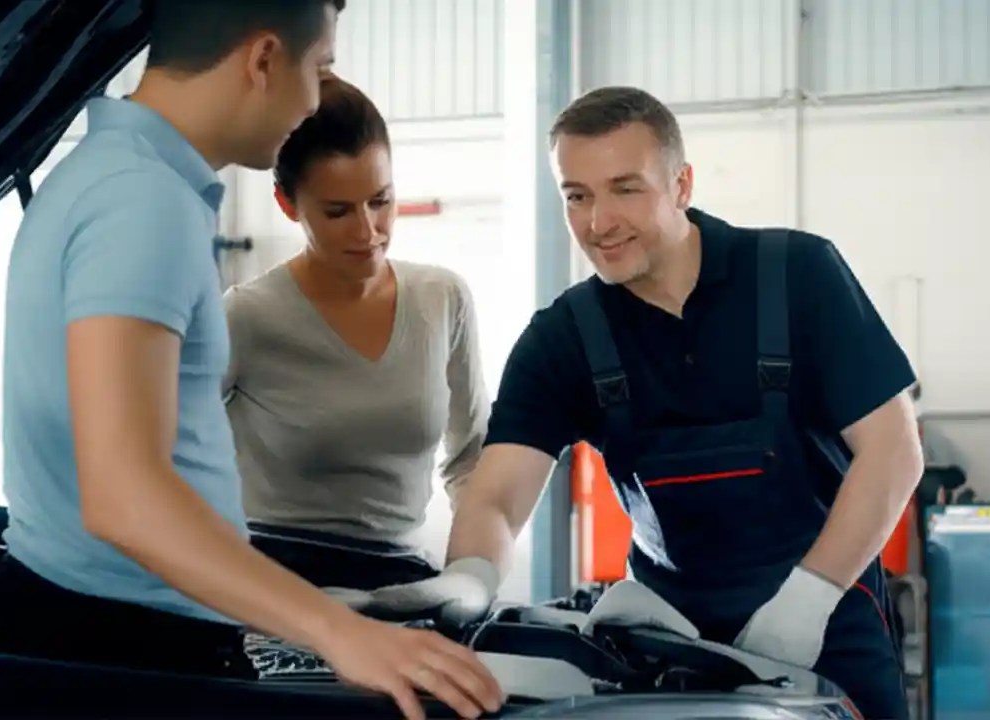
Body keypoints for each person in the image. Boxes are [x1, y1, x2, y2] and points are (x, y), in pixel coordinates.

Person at [0, 2, 502, 718]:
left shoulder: (104, 176)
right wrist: (337, 631)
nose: (317, 96)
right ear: (264, 60)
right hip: (125, 649)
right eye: (319, 67)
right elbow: (123, 492)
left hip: (95, 627)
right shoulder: (143, 204)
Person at [370, 86, 924, 719]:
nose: (598, 223)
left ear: (681, 185)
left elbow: (892, 452)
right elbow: (497, 495)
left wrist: (808, 597)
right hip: (672, 648)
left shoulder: (797, 275)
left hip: (829, 624)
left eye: (625, 188)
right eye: (576, 196)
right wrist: (470, 575)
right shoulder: (565, 337)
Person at [222, 76, 491, 589]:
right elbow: (161, 455)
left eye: (380, 200)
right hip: (272, 582)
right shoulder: (245, 316)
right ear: (287, 204)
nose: (368, 231)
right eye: (338, 211)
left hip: (401, 578)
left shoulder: (444, 299)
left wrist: (469, 574)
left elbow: (471, 458)